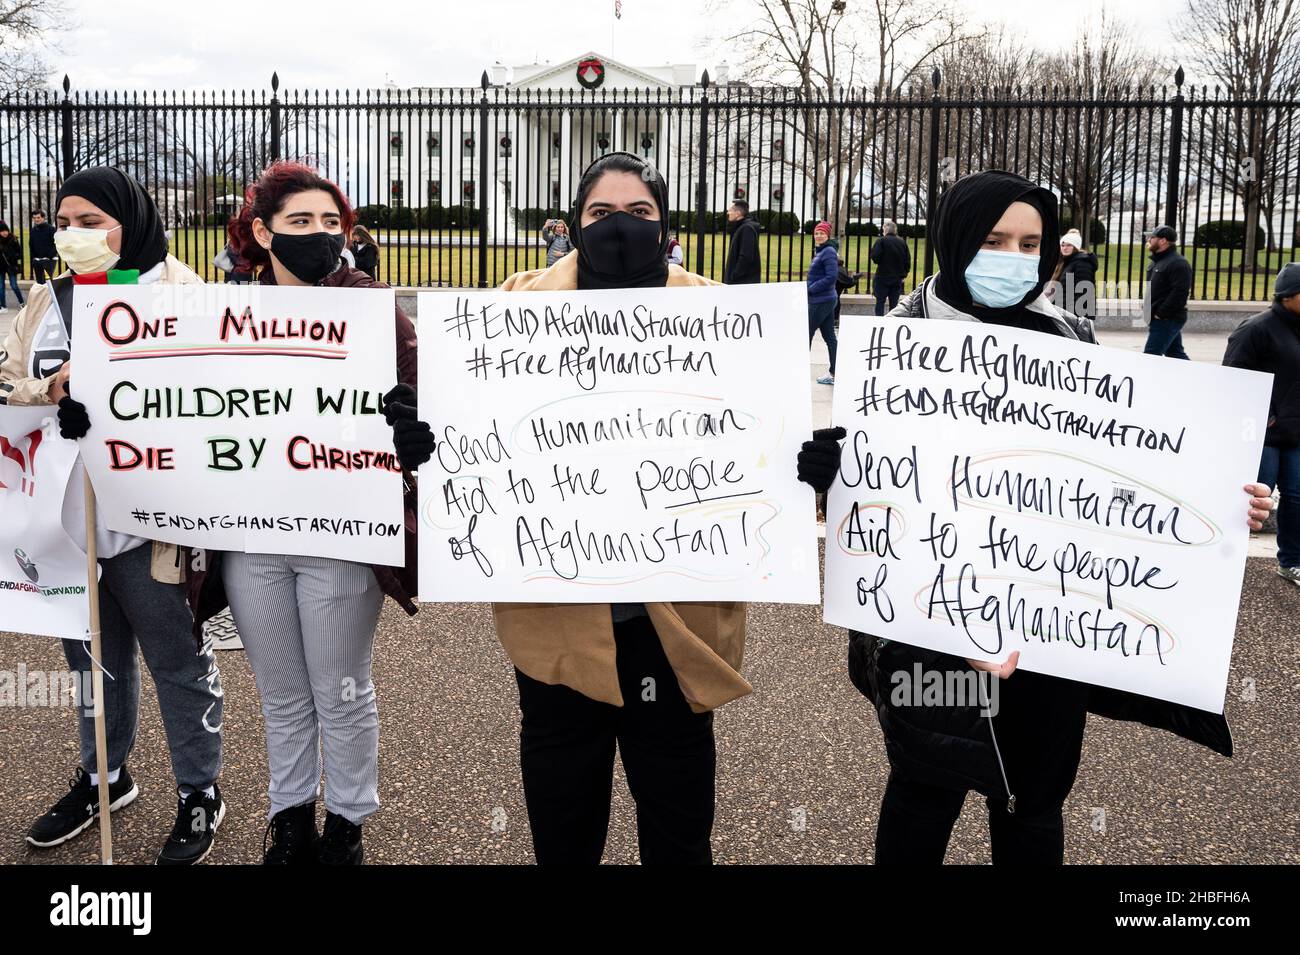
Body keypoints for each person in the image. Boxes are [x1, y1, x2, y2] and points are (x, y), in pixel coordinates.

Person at [385, 151, 838, 865]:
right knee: (565, 835)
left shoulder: (724, 319)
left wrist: (808, 467)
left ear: (666, 225)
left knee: (679, 831)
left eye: (640, 213)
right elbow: (474, 445)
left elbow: (763, 446)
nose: (620, 226)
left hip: (678, 631)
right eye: (601, 214)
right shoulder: (514, 310)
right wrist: (424, 440)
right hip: (557, 632)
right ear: (574, 222)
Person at [810, 169, 1272, 865]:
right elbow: (870, 497)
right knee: (922, 792)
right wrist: (823, 473)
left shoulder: (1072, 337)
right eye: (994, 239)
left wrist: (1221, 499)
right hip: (927, 630)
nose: (1013, 257)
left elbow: (1122, 470)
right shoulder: (894, 344)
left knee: (1033, 802)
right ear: (955, 238)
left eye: (1031, 243)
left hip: (1045, 636)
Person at [192, 160, 419, 865]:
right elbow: (189, 415)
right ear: (261, 232)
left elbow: (427, 396)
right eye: (301, 223)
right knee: (284, 694)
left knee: (342, 688)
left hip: (343, 536)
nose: (322, 236)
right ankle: (289, 820)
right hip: (254, 537)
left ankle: (346, 825)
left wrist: (409, 426)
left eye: (331, 223)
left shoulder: (375, 310)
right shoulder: (226, 319)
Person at [1, 167, 225, 865]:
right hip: (66, 526)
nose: (74, 235)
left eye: (92, 222)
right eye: (64, 220)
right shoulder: (46, 298)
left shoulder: (181, 291)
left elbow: (216, 388)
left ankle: (199, 790)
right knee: (92, 661)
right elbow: (6, 380)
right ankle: (105, 775)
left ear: (129, 221)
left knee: (177, 660)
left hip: (150, 526)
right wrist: (49, 386)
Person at [1224, 262, 1300, 587]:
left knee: (1297, 498)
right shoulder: (1256, 328)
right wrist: (1260, 415)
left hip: (1296, 432)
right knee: (1251, 504)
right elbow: (1231, 376)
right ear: (1289, 295)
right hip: (1263, 434)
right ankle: (1226, 562)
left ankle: (1291, 562)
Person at [1142, 224, 1193, 359]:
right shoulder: (1157, 262)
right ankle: (1195, 378)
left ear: (1163, 241)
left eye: (1152, 237)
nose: (1149, 241)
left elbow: (1180, 293)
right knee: (1175, 354)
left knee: (1150, 356)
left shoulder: (1178, 263)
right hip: (1159, 317)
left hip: (1167, 319)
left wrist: (1161, 314)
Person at [807, 221, 839, 386]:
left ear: (828, 235)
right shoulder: (822, 251)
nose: (818, 235)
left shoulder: (828, 252)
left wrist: (811, 289)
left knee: (806, 335)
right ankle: (835, 373)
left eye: (822, 233)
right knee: (830, 337)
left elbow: (831, 277)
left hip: (821, 300)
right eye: (817, 233)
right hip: (824, 299)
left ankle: (800, 371)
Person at [1053, 229, 1098, 320]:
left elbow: (1084, 292)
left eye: (1069, 245)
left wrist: (1076, 316)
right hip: (1064, 312)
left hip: (1075, 315)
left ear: (1076, 247)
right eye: (1063, 245)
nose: (1065, 248)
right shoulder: (1066, 262)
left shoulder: (1082, 263)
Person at [868, 220, 909, 315]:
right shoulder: (902, 242)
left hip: (882, 276)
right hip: (897, 277)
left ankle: (880, 322)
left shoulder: (881, 241)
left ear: (885, 230)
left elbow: (875, 258)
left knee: (880, 303)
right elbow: (907, 260)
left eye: (883, 229)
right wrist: (904, 274)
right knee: (894, 304)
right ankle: (892, 323)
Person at [723, 200, 761, 284]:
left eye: (730, 210)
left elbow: (746, 258)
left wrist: (734, 276)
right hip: (740, 283)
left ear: (738, 213)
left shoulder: (747, 229)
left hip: (742, 284)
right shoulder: (740, 228)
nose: (728, 213)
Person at [29, 209, 58, 285]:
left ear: (43, 218)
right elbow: (31, 245)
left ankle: (49, 297)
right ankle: (42, 297)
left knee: (48, 282)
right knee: (39, 283)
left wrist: (50, 256)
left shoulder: (51, 229)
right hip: (37, 260)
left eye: (38, 217)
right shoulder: (33, 230)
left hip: (49, 260)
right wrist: (34, 258)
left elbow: (56, 243)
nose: (36, 219)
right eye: (34, 218)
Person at [0, 221, 24, 311]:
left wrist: (12, 256)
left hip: (11, 266)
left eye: (6, 230)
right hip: (1, 268)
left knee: (14, 285)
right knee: (1, 287)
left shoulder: (13, 239)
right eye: (2, 231)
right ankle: (3, 306)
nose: (4, 233)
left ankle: (22, 303)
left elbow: (20, 254)